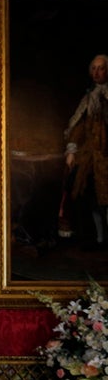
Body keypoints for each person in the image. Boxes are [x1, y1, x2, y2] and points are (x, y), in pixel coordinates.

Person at [61, 53, 108, 248]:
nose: (97, 72)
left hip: (106, 155)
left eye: (101, 68)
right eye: (94, 68)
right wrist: (72, 151)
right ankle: (100, 239)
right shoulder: (89, 97)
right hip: (90, 156)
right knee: (92, 197)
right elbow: (77, 127)